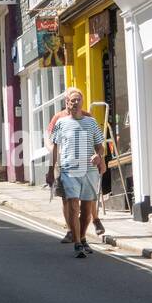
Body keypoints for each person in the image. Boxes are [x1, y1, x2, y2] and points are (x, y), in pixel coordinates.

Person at [50, 88, 106, 259]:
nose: (74, 103)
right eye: (71, 100)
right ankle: (77, 243)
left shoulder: (91, 122)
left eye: (77, 100)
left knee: (87, 209)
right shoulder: (61, 123)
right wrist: (52, 169)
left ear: (82, 102)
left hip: (89, 171)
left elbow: (100, 146)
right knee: (73, 206)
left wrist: (99, 156)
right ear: (67, 104)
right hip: (69, 170)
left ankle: (81, 237)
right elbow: (55, 147)